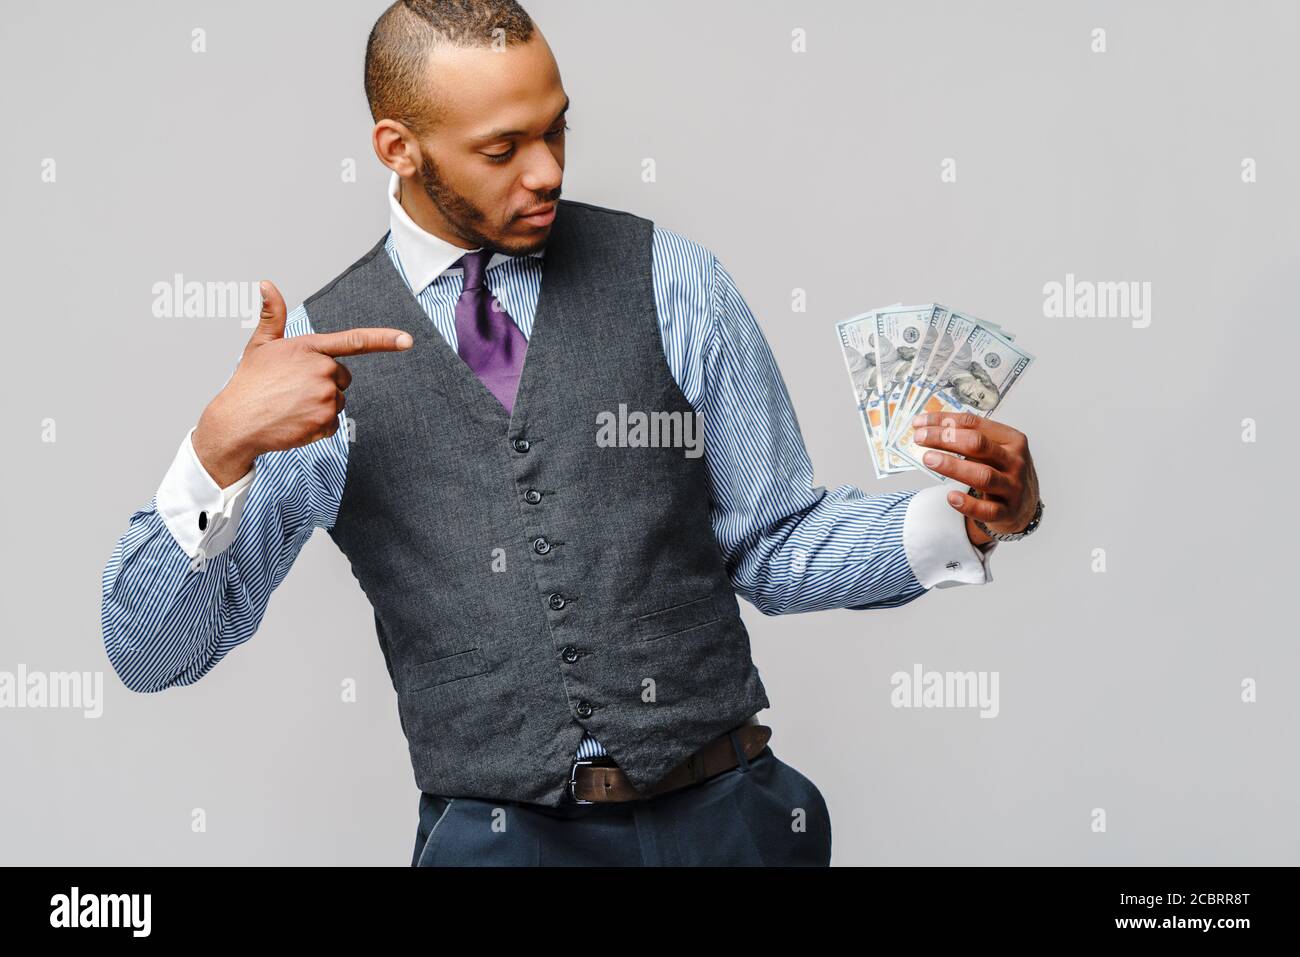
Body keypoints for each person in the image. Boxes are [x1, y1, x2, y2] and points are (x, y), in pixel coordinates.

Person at [100, 0, 1042, 867]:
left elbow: (775, 542)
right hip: (496, 843)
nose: (548, 168)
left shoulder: (673, 277)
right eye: (503, 148)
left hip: (730, 820)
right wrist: (214, 448)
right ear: (400, 147)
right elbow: (150, 652)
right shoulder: (316, 366)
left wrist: (968, 519)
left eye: (556, 128)